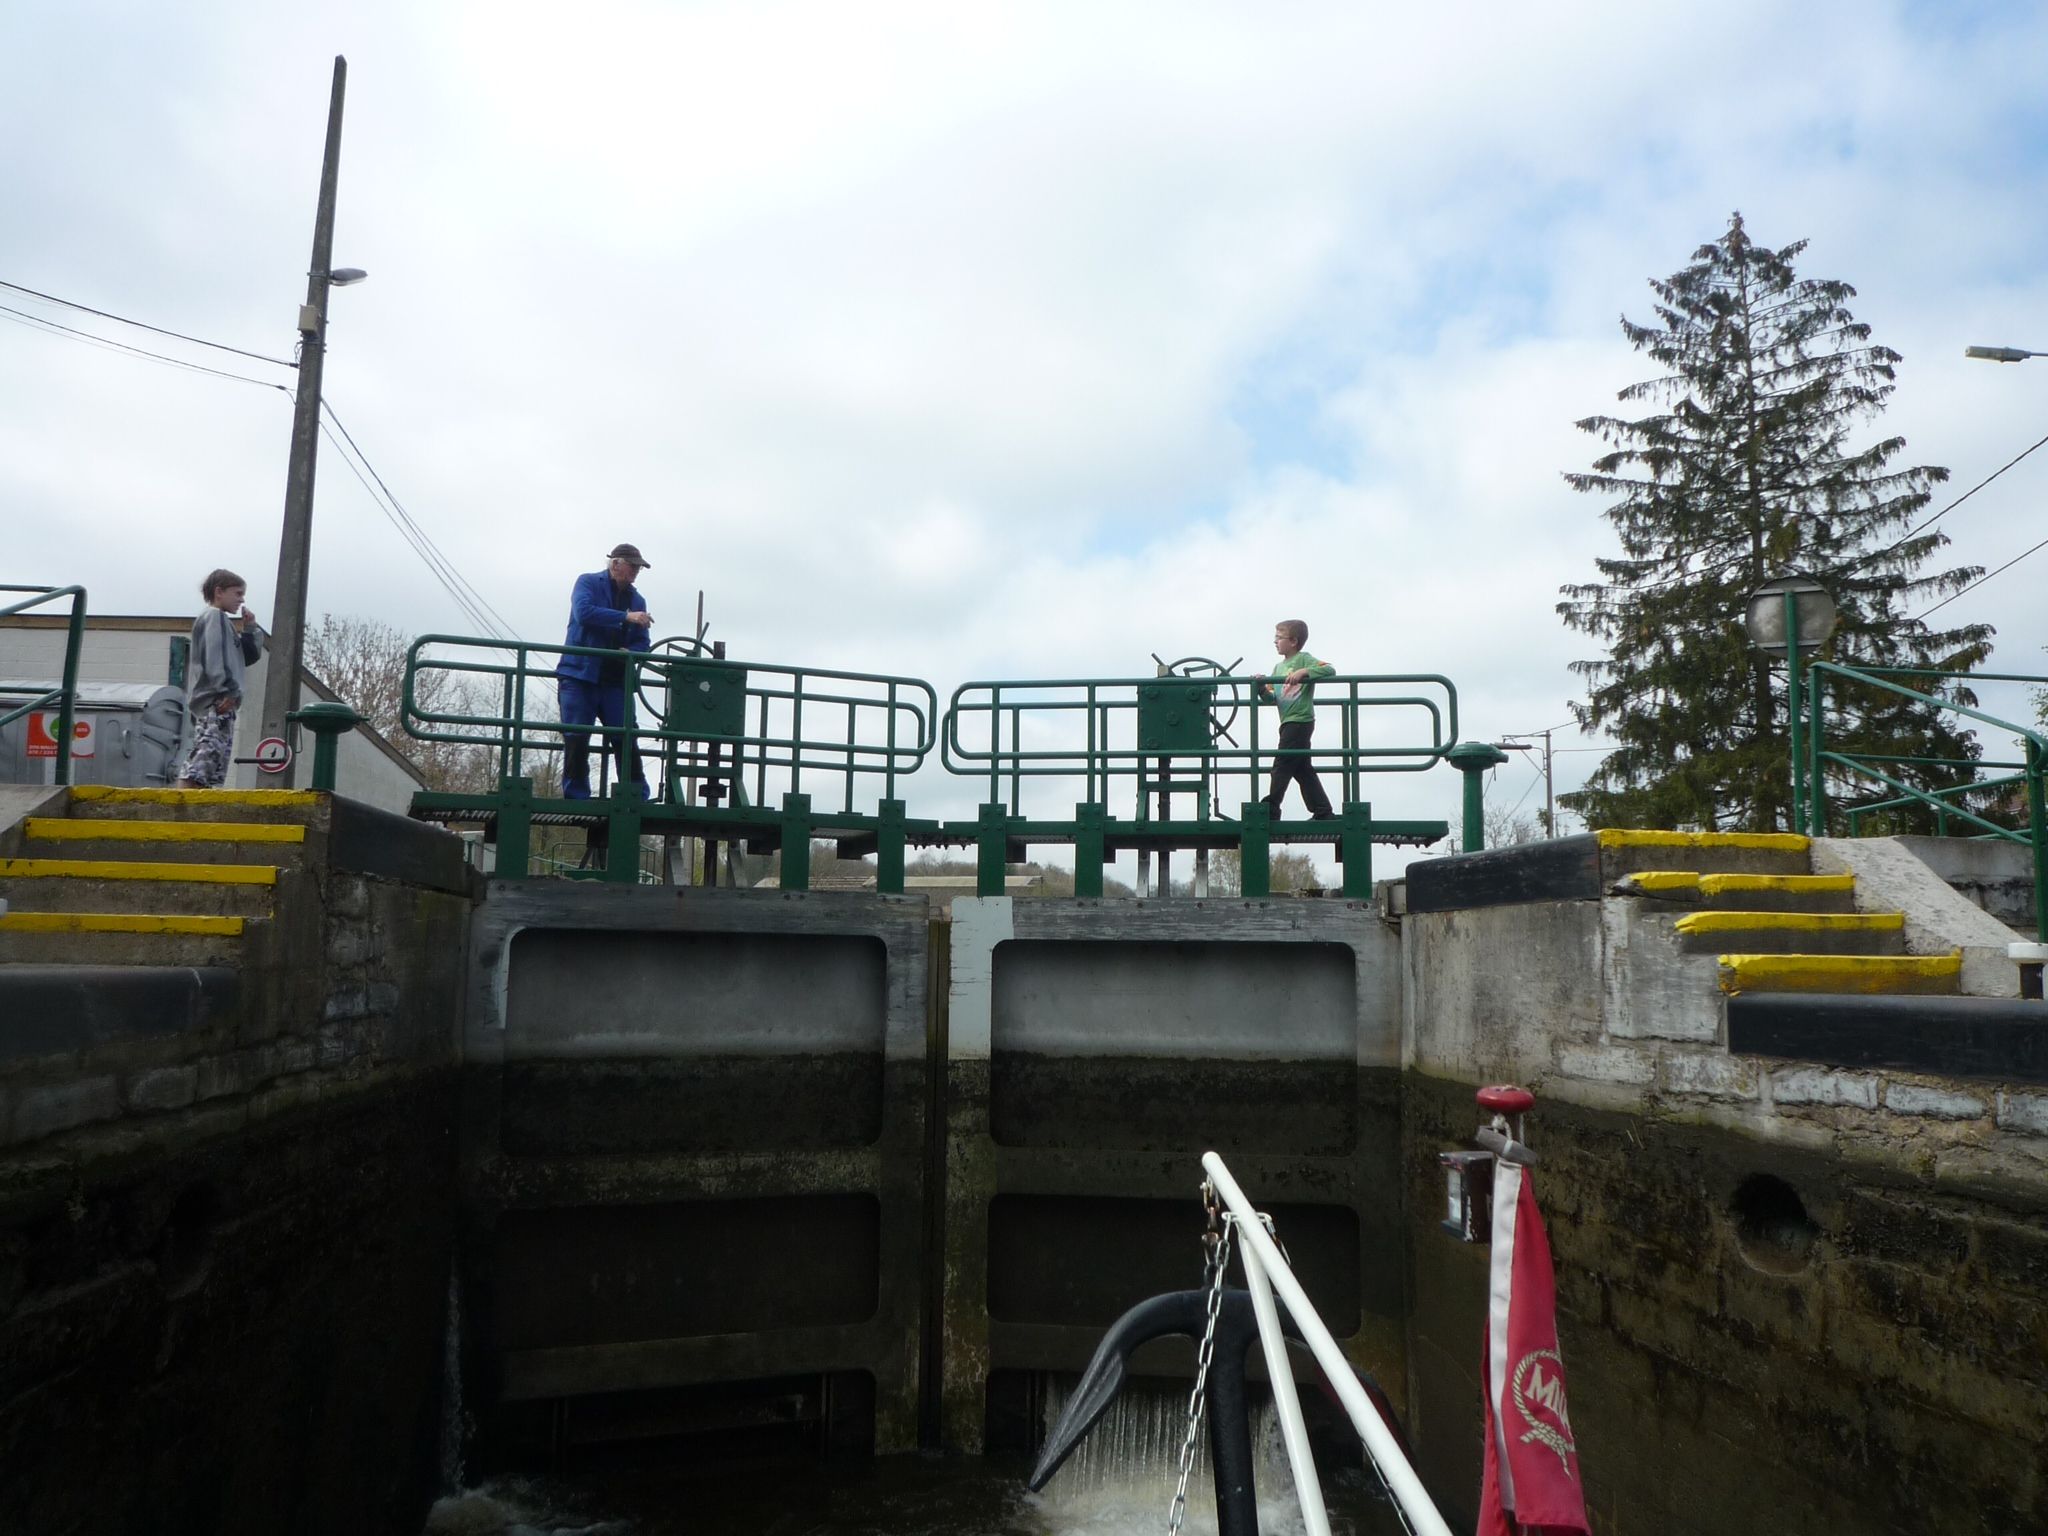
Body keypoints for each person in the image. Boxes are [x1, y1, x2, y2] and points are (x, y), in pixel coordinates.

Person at [556, 543, 654, 800]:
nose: (635, 572)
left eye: (638, 568)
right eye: (632, 566)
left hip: (615, 680)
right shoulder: (587, 583)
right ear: (615, 564)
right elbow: (584, 613)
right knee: (577, 734)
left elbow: (643, 643)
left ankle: (635, 793)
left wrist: (630, 652)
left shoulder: (637, 600)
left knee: (625, 734)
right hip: (580, 675)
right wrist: (626, 617)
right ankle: (577, 796)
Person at [174, 569, 264, 790]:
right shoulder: (214, 617)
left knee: (215, 762)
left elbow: (246, 656)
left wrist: (250, 628)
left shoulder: (225, 624)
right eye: (238, 593)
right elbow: (217, 658)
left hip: (223, 700)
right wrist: (229, 691)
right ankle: (180, 804)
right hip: (217, 700)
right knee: (204, 757)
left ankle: (197, 806)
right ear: (219, 592)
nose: (242, 599)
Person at [1257, 618, 1336, 819]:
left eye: (1279, 637)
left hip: (1300, 721)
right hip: (1287, 722)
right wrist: (1260, 688)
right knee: (1302, 769)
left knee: (1282, 763)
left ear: (1293, 641)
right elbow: (1271, 698)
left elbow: (1329, 669)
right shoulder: (1277, 668)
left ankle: (1271, 807)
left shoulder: (1303, 658)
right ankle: (1322, 810)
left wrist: (1305, 672)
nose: (1275, 641)